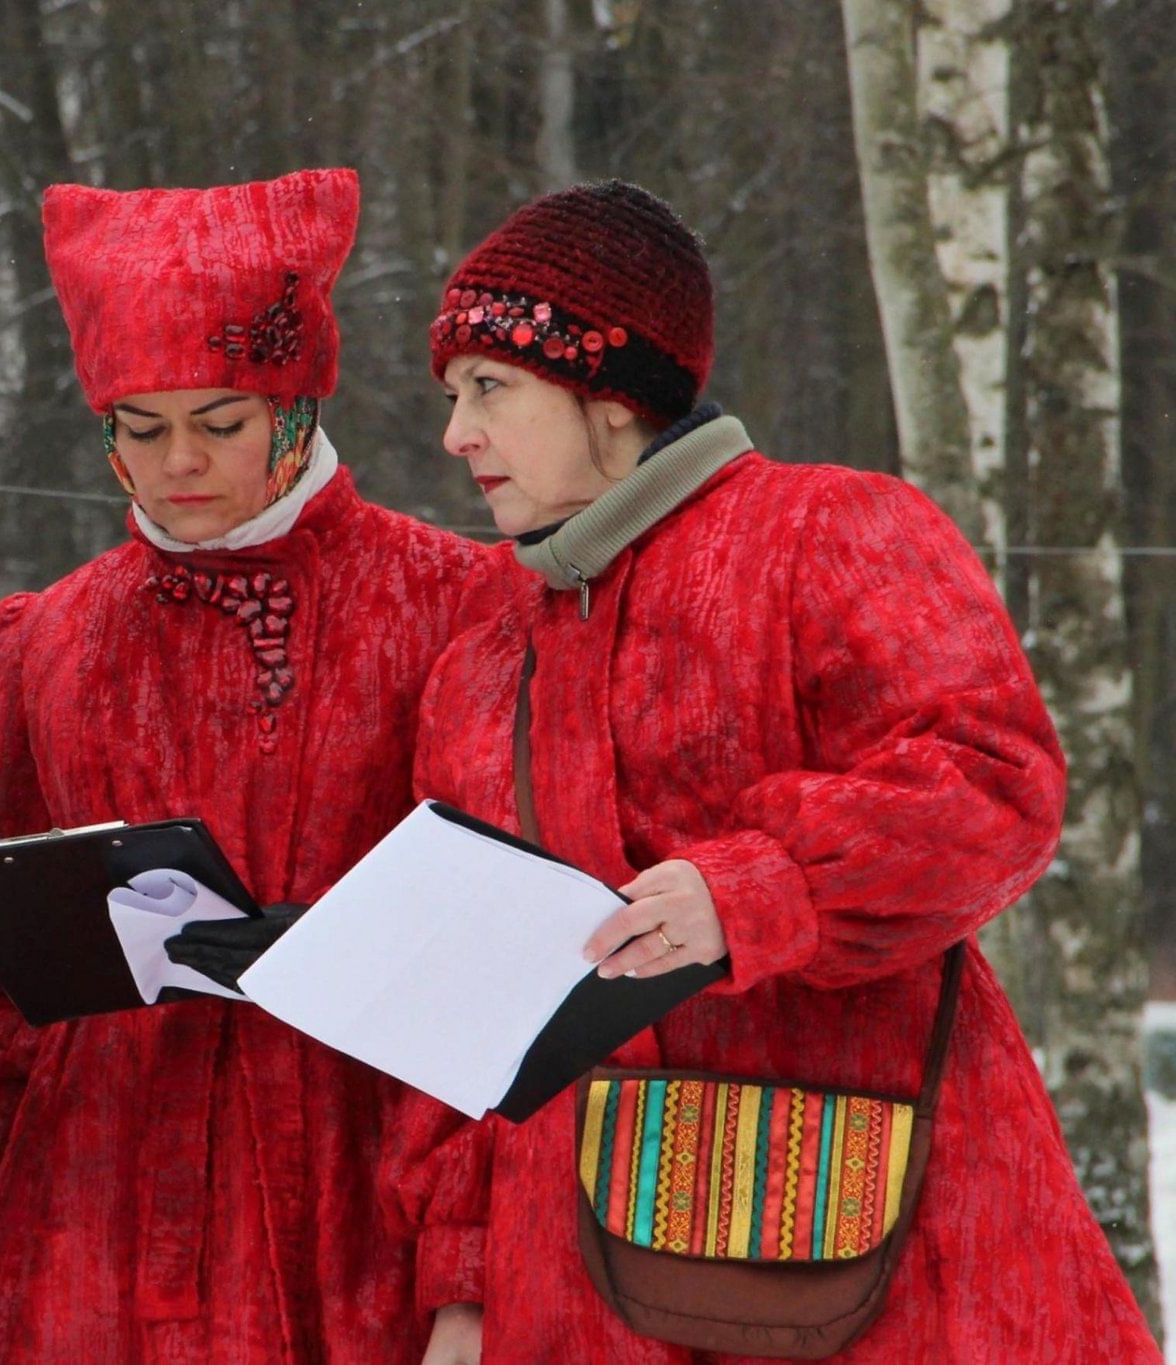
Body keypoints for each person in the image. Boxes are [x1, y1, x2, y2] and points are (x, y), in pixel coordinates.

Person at [388, 180, 1157, 1363]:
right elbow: (466, 1015)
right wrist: (461, 1284)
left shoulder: (830, 530)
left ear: (607, 394)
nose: (455, 435)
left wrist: (755, 889)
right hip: (575, 1281)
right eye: (451, 397)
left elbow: (991, 779)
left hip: (882, 1245)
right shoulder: (480, 659)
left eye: (488, 388)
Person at [0, 167, 499, 1363]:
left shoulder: (458, 604)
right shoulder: (54, 635)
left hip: (349, 1191)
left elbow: (501, 964)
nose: (178, 461)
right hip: (88, 1208)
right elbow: (16, 992)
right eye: (141, 428)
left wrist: (471, 1269)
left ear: (292, 410)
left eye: (220, 422)